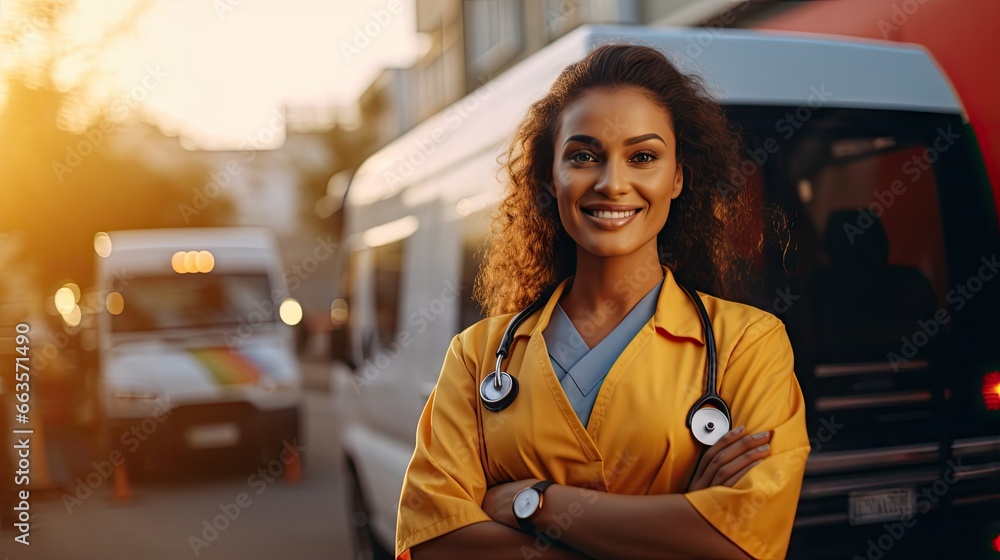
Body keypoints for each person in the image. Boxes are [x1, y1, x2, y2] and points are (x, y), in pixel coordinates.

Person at [394, 44, 810, 560]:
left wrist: (535, 503)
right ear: (551, 176)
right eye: (584, 156)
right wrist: (676, 522)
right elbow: (436, 543)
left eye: (643, 157)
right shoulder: (477, 354)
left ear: (677, 176)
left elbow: (740, 542)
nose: (613, 184)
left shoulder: (749, 344)